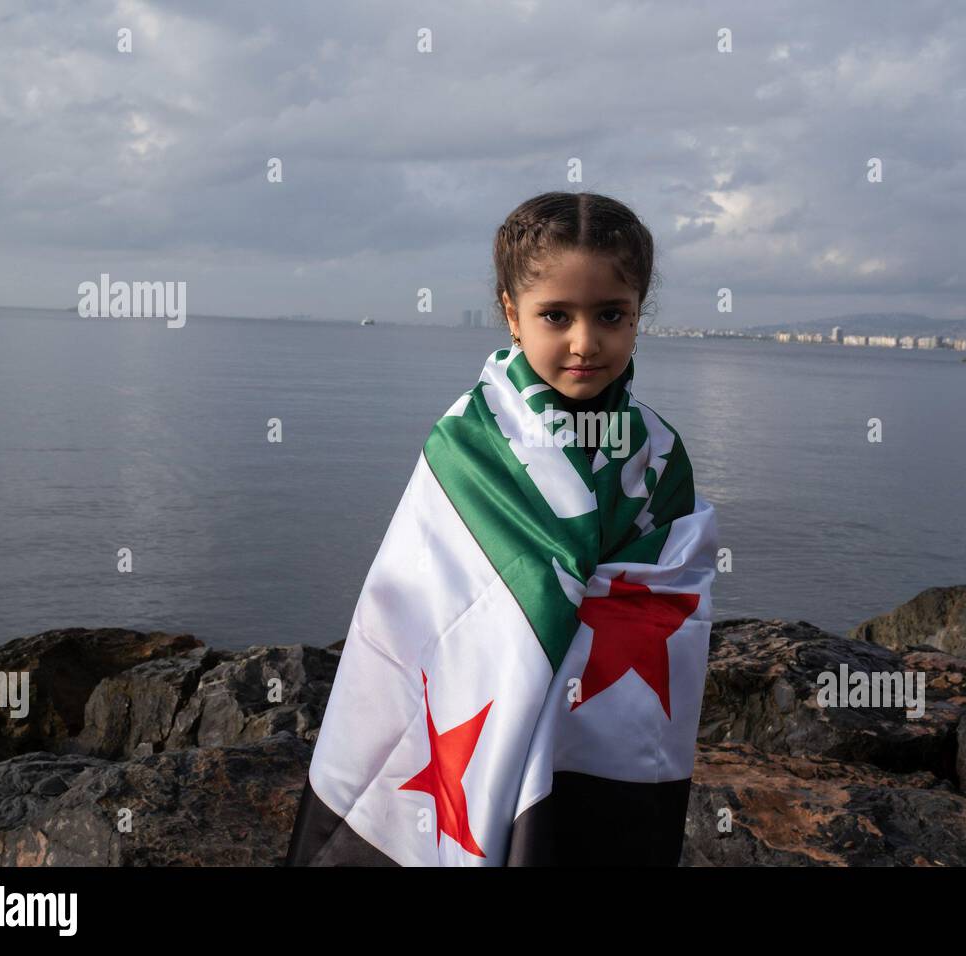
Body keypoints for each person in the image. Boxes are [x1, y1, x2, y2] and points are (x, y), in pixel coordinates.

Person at [285, 191, 719, 866]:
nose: (585, 341)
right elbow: (415, 610)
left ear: (639, 314)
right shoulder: (469, 442)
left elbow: (670, 602)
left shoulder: (658, 454)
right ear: (513, 314)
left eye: (611, 314)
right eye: (556, 316)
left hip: (597, 732)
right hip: (465, 723)